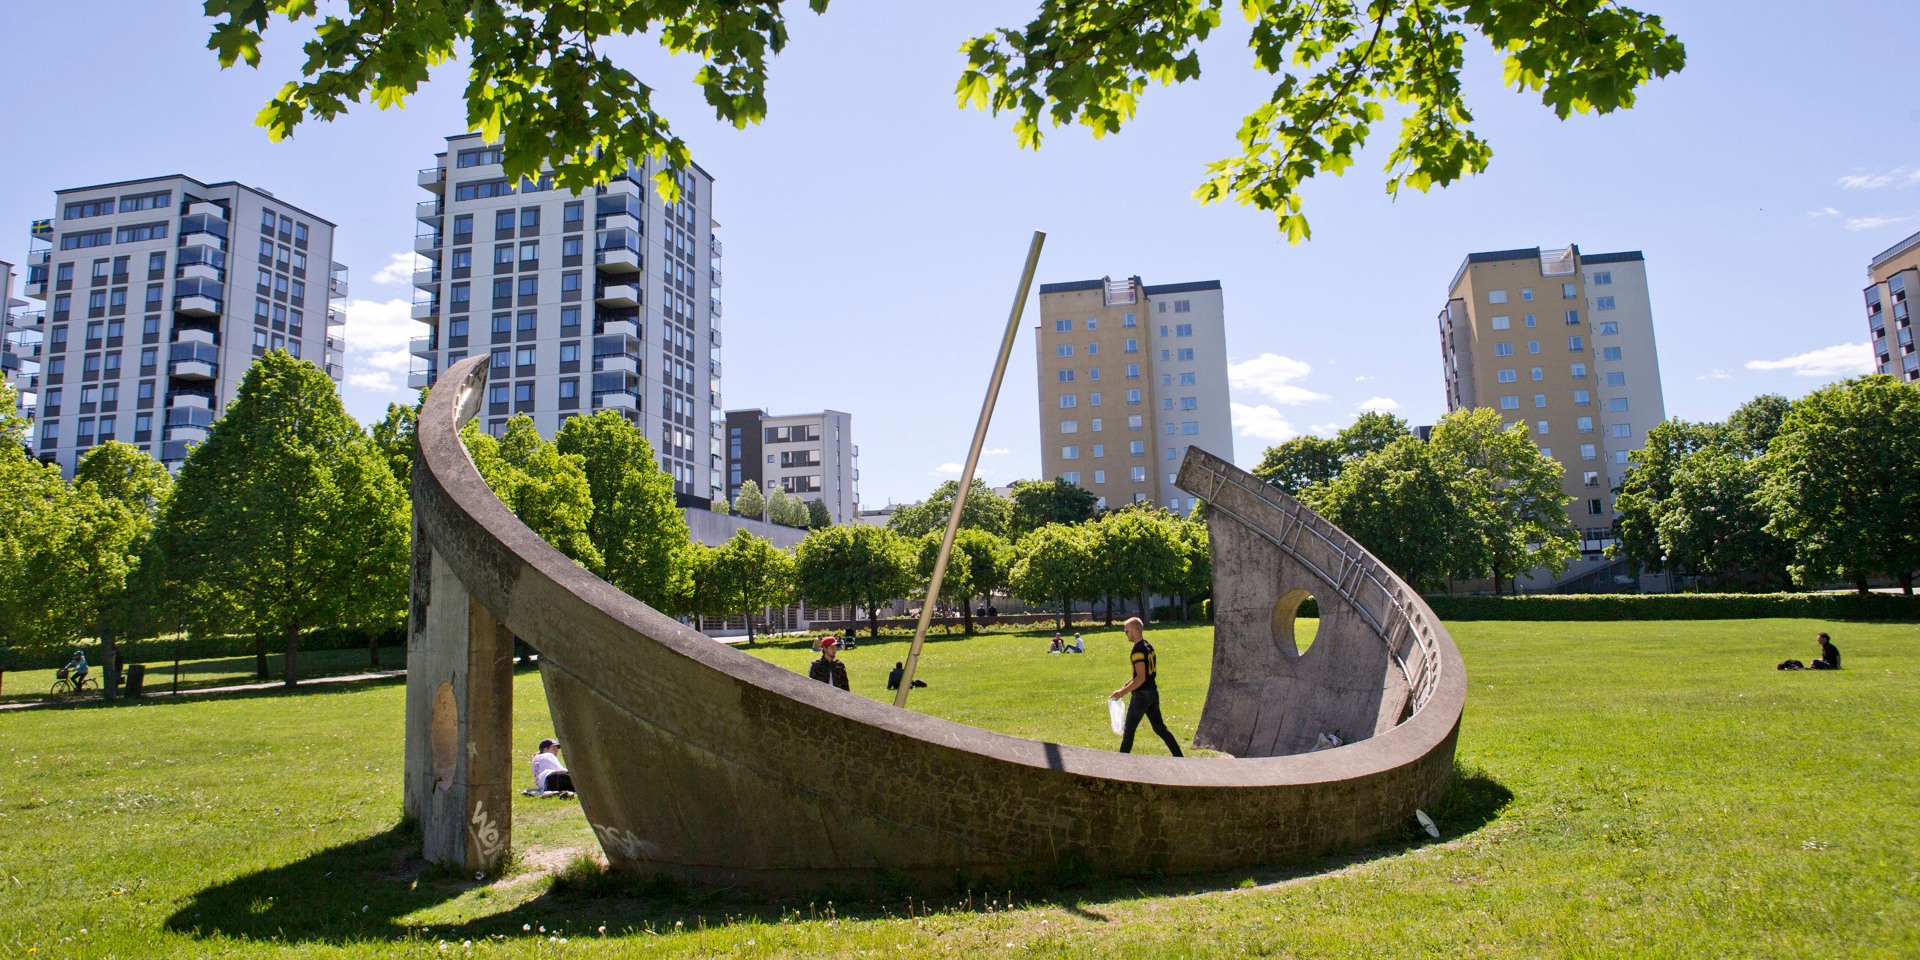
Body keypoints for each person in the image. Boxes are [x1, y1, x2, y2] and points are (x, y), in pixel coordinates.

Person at [1109, 617, 1183, 756]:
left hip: (1142, 695)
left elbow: (1141, 677)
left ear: (1135, 631)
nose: (1125, 633)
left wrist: (1122, 692)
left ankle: (1121, 762)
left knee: (1129, 730)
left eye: (1127, 631)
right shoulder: (1148, 646)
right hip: (1152, 692)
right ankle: (1179, 756)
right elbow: (1142, 674)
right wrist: (1127, 683)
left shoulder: (1137, 650)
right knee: (1159, 728)